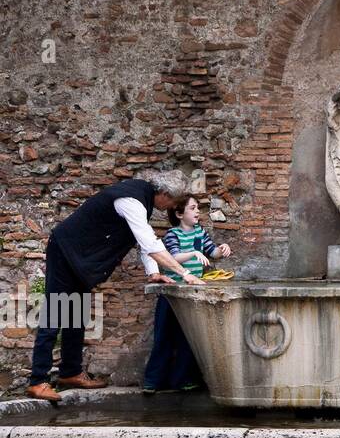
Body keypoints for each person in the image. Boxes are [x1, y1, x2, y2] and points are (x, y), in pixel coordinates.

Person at [27, 169, 204, 402]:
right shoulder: (132, 200)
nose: (171, 207)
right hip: (65, 250)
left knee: (76, 313)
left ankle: (70, 372)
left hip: (81, 257)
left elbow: (144, 239)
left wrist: (153, 273)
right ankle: (37, 381)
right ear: (162, 192)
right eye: (172, 201)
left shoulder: (142, 199)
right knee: (55, 312)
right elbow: (149, 243)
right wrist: (184, 273)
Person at [141, 194, 230, 393]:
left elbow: (212, 253)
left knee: (187, 337)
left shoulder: (200, 232)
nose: (197, 211)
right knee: (164, 336)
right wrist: (193, 253)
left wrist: (222, 250)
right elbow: (172, 257)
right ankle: (152, 382)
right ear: (179, 214)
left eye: (197, 207)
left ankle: (183, 380)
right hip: (172, 292)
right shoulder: (173, 234)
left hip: (192, 293)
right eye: (192, 208)